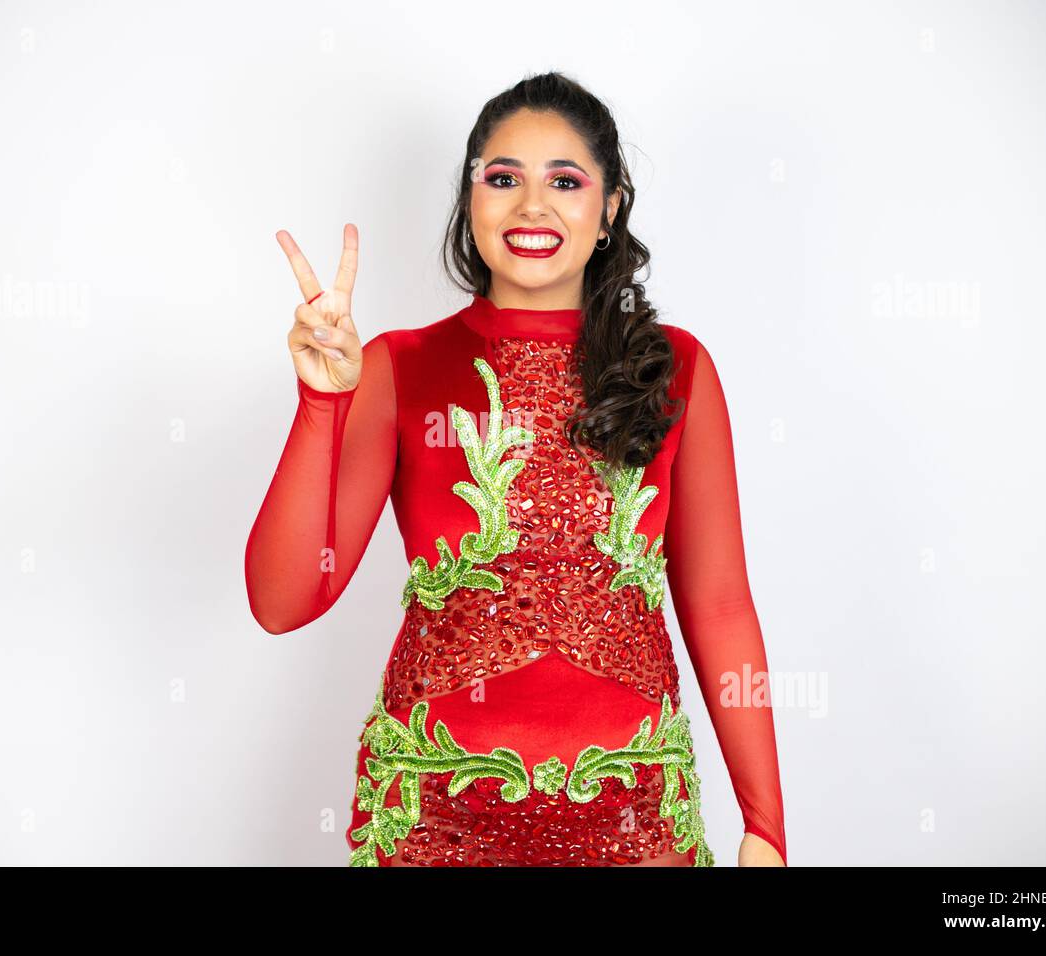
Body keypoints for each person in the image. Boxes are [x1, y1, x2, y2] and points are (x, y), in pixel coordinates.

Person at [245, 71, 787, 867]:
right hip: (434, 825)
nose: (533, 206)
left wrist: (765, 827)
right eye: (503, 179)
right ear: (472, 202)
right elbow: (282, 601)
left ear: (609, 208)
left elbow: (721, 606)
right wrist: (321, 403)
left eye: (565, 182)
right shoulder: (402, 366)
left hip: (635, 827)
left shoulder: (676, 369)